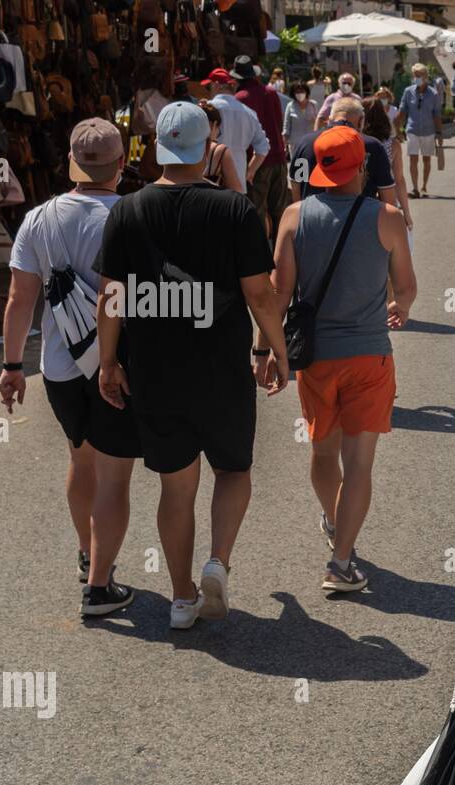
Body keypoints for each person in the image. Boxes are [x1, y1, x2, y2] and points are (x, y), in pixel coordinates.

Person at [93, 101, 290, 630]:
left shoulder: (126, 210)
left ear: (159, 146)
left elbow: (111, 295)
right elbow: (260, 294)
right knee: (234, 469)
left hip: (155, 372)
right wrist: (275, 350)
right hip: (221, 371)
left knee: (175, 488)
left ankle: (181, 598)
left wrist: (108, 362)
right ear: (208, 148)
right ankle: (217, 561)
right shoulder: (236, 210)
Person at [0, 118, 141, 617]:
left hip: (59, 369)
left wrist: (11, 364)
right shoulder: (132, 215)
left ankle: (87, 555)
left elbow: (20, 299)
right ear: (121, 164)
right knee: (115, 475)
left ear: (70, 164)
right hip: (119, 366)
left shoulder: (38, 219)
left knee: (81, 461)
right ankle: (99, 587)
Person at [270, 126, 417, 591]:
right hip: (370, 354)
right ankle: (340, 561)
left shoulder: (294, 216)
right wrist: (401, 307)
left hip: (315, 357)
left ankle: (336, 526)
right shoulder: (388, 217)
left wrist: (267, 350)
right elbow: (407, 286)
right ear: (365, 168)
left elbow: (280, 292)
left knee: (322, 452)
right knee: (359, 464)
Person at [288, 97, 395, 205]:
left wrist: (301, 215)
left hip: (312, 216)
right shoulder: (373, 146)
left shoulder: (304, 143)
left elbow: (296, 185)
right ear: (361, 120)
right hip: (361, 218)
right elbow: (387, 195)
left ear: (330, 118)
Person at [233, 55, 288, 238]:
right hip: (278, 157)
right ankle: (281, 252)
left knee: (258, 211)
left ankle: (261, 255)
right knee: (279, 210)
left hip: (256, 162)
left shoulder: (239, 98)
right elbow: (279, 124)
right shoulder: (271, 92)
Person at [204, 66, 270, 194]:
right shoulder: (249, 113)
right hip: (238, 183)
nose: (208, 91)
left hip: (210, 181)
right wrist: (250, 171)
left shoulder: (208, 109)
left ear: (217, 85)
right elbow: (263, 147)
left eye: (209, 87)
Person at [363, 97, 413, 234]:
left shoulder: (355, 142)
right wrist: (406, 212)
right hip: (387, 202)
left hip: (361, 202)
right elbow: (399, 180)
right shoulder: (393, 144)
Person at [398, 63, 442, 198]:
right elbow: (402, 111)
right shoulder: (408, 91)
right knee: (413, 159)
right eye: (415, 75)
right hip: (412, 129)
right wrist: (398, 129)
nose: (417, 78)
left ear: (426, 76)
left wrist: (439, 133)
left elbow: (437, 114)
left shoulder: (433, 94)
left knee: (427, 159)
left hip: (428, 131)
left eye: (420, 75)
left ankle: (424, 186)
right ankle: (415, 188)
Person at [198, 100, 246, 193]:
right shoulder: (219, 151)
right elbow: (237, 191)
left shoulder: (179, 147)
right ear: (213, 124)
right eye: (218, 129)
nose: (217, 134)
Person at [283, 81, 318, 153]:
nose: (300, 94)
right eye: (297, 92)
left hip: (311, 143)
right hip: (295, 145)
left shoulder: (313, 104)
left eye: (302, 91)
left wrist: (315, 121)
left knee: (310, 163)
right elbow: (286, 127)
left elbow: (320, 122)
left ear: (306, 92)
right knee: (298, 163)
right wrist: (284, 144)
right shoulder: (290, 106)